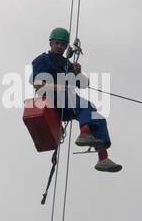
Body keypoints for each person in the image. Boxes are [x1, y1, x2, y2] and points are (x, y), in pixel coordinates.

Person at [29, 28, 122, 173]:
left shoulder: (67, 64)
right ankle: (84, 133)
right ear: (51, 43)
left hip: (67, 101)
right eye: (57, 43)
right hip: (52, 99)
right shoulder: (42, 60)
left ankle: (103, 158)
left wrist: (78, 72)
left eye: (63, 45)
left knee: (99, 119)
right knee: (86, 106)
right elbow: (36, 83)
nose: (60, 47)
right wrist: (58, 87)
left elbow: (84, 84)